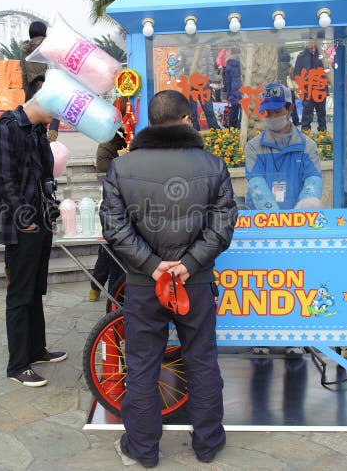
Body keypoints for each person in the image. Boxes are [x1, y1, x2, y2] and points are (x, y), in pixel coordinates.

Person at [101, 89, 237, 467]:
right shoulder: (211, 164)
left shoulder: (123, 167)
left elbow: (114, 227)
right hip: (194, 282)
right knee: (202, 360)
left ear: (151, 120)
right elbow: (223, 223)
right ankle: (208, 444)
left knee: (143, 364)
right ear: (186, 118)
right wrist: (189, 264)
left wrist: (151, 265)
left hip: (146, 287)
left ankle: (143, 450)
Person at [0, 76, 67, 387]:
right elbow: (2, 181)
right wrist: (25, 217)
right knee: (20, 294)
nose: (58, 113)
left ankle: (37, 349)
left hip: (40, 221)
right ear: (41, 99)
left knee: (36, 289)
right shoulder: (7, 129)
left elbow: (44, 173)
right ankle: (18, 364)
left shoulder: (36, 132)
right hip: (20, 226)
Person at [244, 83, 323, 210]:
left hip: (297, 222)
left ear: (290, 108)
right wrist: (274, 218)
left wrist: (300, 213)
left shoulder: (307, 146)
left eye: (277, 111)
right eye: (268, 113)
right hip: (262, 221)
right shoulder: (253, 147)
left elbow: (313, 180)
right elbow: (256, 182)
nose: (272, 117)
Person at [88, 126, 127, 302]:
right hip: (112, 204)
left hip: (121, 204)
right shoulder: (107, 145)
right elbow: (104, 170)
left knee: (108, 251)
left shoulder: (123, 139)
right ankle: (109, 296)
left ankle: (96, 288)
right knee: (111, 252)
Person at [21, 21, 59, 141]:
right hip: (49, 84)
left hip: (33, 87)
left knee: (37, 118)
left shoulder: (25, 50)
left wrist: (27, 91)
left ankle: (40, 139)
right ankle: (52, 134)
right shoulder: (50, 46)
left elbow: (24, 73)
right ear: (44, 31)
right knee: (56, 109)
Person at [293, 39, 328, 133]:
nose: (310, 43)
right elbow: (296, 73)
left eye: (312, 41)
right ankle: (305, 134)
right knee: (307, 113)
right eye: (308, 41)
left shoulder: (323, 55)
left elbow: (329, 71)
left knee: (322, 113)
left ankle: (323, 135)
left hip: (320, 88)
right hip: (307, 90)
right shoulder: (301, 56)